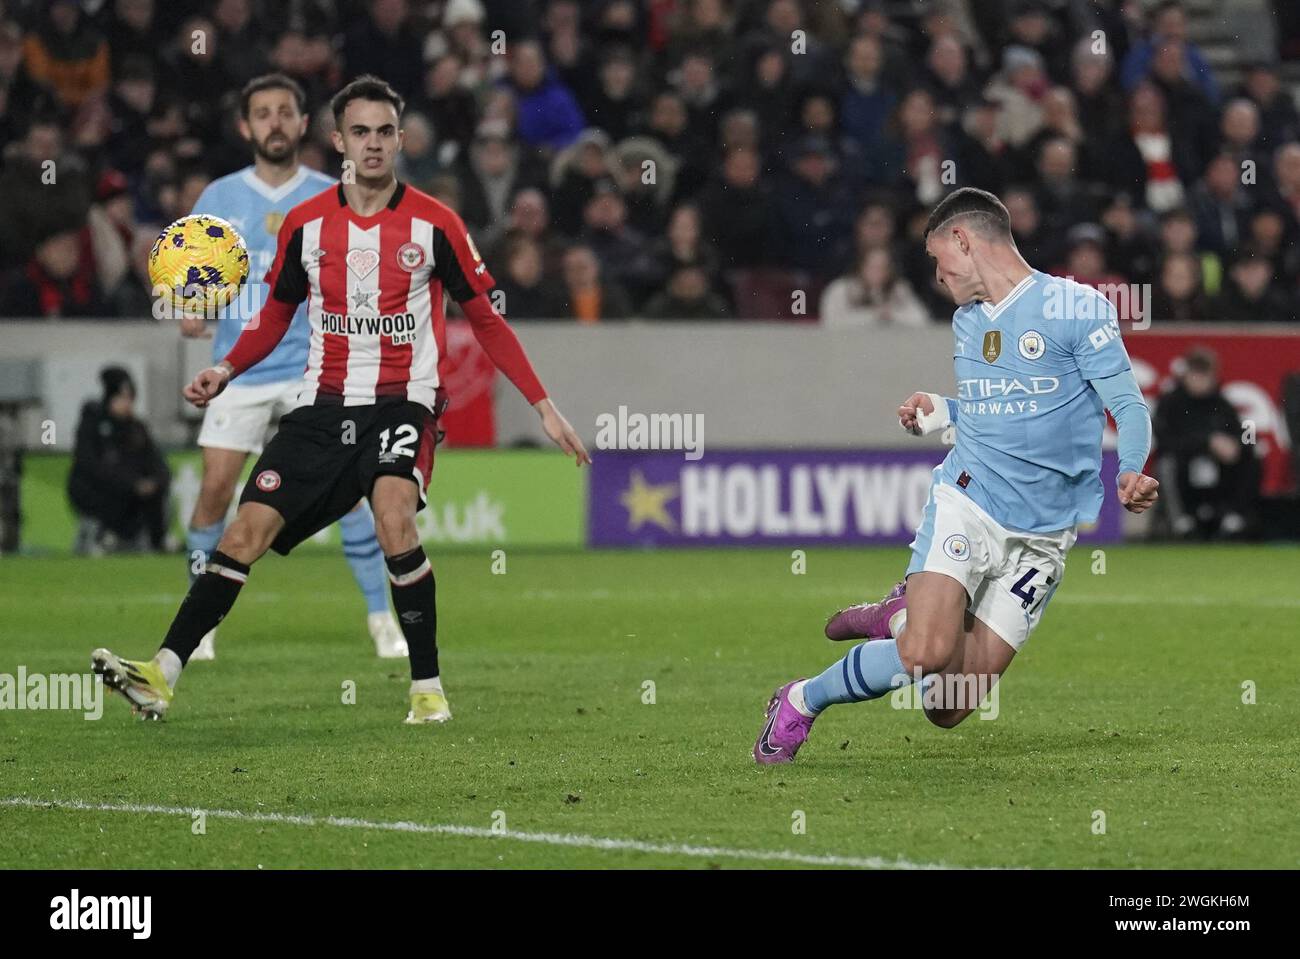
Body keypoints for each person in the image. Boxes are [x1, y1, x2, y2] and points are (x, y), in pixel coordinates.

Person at [92, 75, 590, 725]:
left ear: (401, 140)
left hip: (403, 403)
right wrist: (226, 368)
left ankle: (427, 687)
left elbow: (487, 318)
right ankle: (161, 673)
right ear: (338, 141)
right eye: (361, 131)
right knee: (246, 529)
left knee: (392, 513)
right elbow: (273, 317)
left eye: (385, 131)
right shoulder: (306, 225)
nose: (374, 143)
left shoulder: (436, 222)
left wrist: (543, 403)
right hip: (323, 407)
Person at [754, 188, 1158, 764]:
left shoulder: (1076, 308)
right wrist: (941, 410)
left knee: (947, 705)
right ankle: (799, 700)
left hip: (1042, 540)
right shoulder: (968, 321)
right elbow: (994, 410)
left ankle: (898, 615)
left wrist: (1134, 469)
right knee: (925, 652)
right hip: (969, 504)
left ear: (963, 240)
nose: (939, 278)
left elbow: (1129, 404)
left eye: (937, 260)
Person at [177, 73, 404, 662]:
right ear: (245, 126)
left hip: (316, 372)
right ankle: (200, 626)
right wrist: (190, 308)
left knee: (350, 495)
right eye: (262, 113)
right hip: (240, 371)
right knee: (215, 492)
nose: (274, 122)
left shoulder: (334, 193)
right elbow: (188, 278)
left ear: (305, 126)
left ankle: (382, 616)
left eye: (285, 112)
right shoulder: (218, 200)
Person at [1154, 348, 1259, 538]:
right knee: (1167, 464)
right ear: (1186, 374)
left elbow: (1242, 434)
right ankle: (1181, 523)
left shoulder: (1222, 404)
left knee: (1251, 459)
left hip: (1218, 469)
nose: (1200, 380)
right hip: (1183, 466)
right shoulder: (1171, 403)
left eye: (1205, 374)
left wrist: (1236, 446)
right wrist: (1206, 442)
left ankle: (1233, 518)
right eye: (1195, 373)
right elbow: (1164, 441)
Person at [68, 366, 170, 554]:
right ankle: (102, 537)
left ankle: (158, 543)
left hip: (132, 490)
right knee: (113, 493)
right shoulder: (92, 423)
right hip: (98, 490)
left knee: (155, 494)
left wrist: (156, 481)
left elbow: (156, 462)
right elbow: (89, 464)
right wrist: (132, 484)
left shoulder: (137, 428)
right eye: (121, 398)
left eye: (130, 399)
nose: (126, 404)